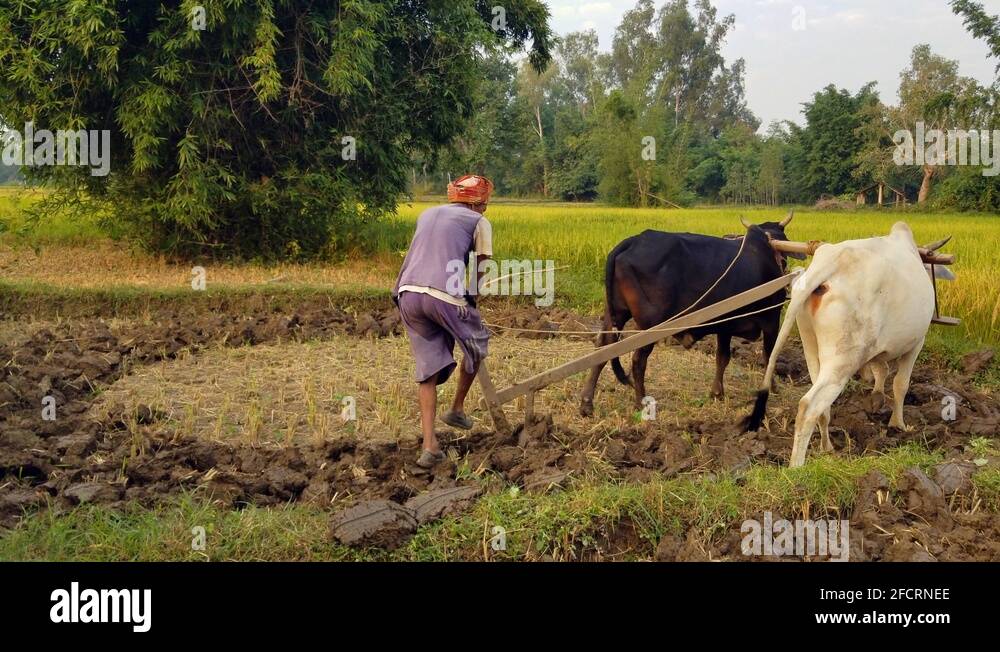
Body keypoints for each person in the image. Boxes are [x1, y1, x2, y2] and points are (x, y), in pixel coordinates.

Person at [393, 175, 494, 468]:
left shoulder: (428, 214)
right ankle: (457, 409)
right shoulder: (479, 222)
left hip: (408, 294)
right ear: (480, 201)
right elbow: (482, 263)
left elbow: (415, 254)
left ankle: (430, 446)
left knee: (427, 373)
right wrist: (472, 297)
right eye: (485, 201)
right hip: (443, 294)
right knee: (477, 344)